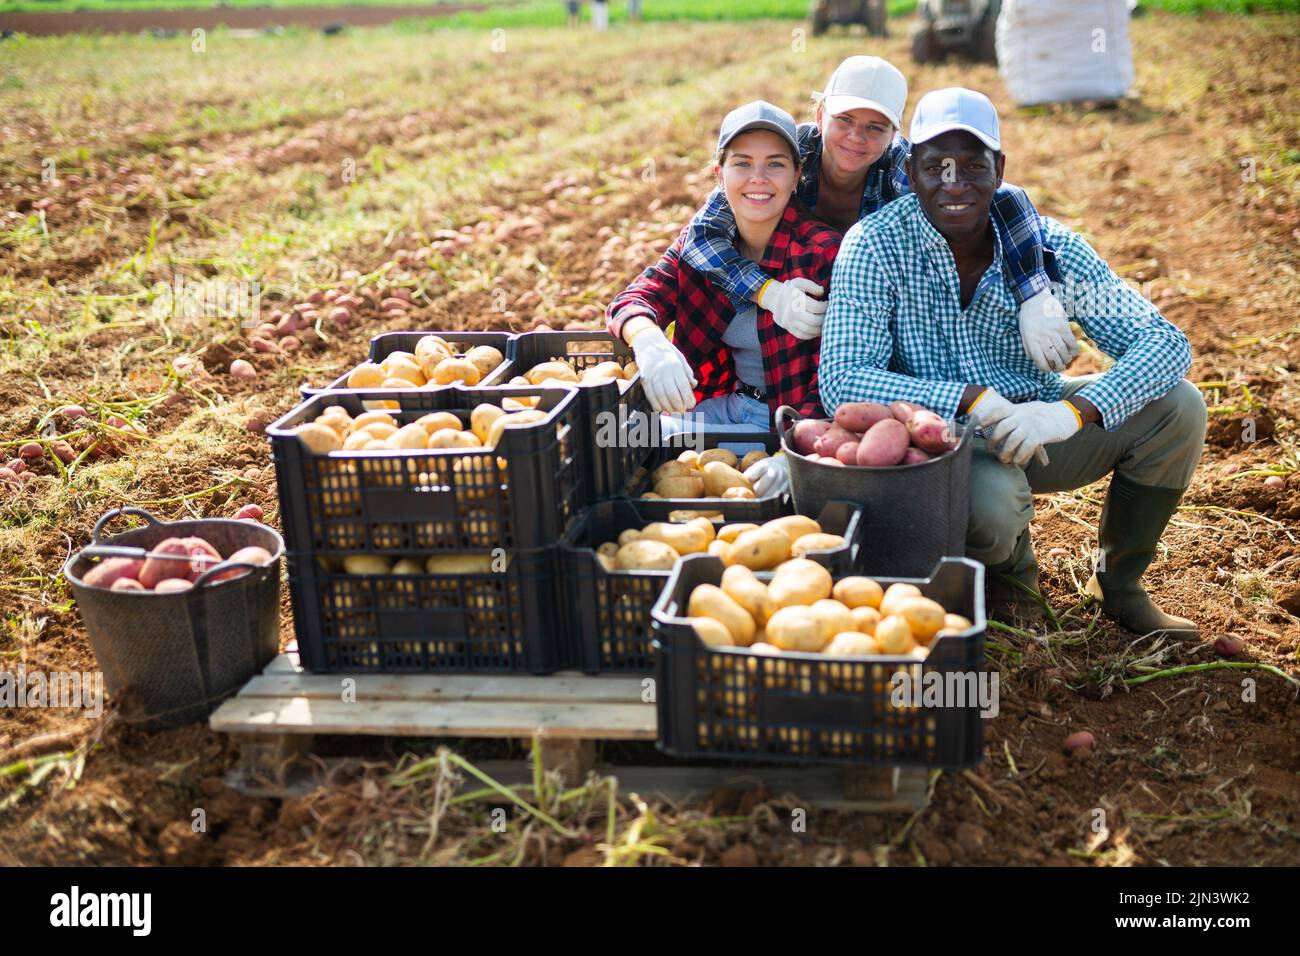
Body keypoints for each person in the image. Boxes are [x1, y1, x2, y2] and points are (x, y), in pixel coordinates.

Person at [820, 88, 1206, 636]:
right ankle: (1016, 577)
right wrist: (969, 400)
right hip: (942, 445)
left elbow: (1166, 343)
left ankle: (1118, 583)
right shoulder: (876, 245)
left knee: (1180, 408)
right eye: (937, 167)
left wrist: (1070, 414)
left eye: (974, 166)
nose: (955, 184)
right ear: (911, 169)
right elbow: (842, 380)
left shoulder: (1046, 249)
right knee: (992, 506)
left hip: (1041, 428)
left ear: (1000, 169)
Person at [681, 56, 1077, 378]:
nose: (856, 138)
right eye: (844, 120)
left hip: (872, 319)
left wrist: (1034, 293)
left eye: (875, 127)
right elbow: (700, 236)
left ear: (894, 133)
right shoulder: (786, 155)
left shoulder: (903, 169)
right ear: (820, 114)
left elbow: (1002, 198)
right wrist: (769, 293)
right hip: (795, 317)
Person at [605, 101, 842, 495]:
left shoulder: (823, 253)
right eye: (743, 163)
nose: (759, 179)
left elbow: (838, 374)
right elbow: (635, 298)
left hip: (787, 423)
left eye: (776, 165)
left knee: (643, 446)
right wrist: (647, 340)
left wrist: (796, 451)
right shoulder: (702, 247)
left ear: (798, 175)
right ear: (720, 173)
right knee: (612, 434)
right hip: (730, 406)